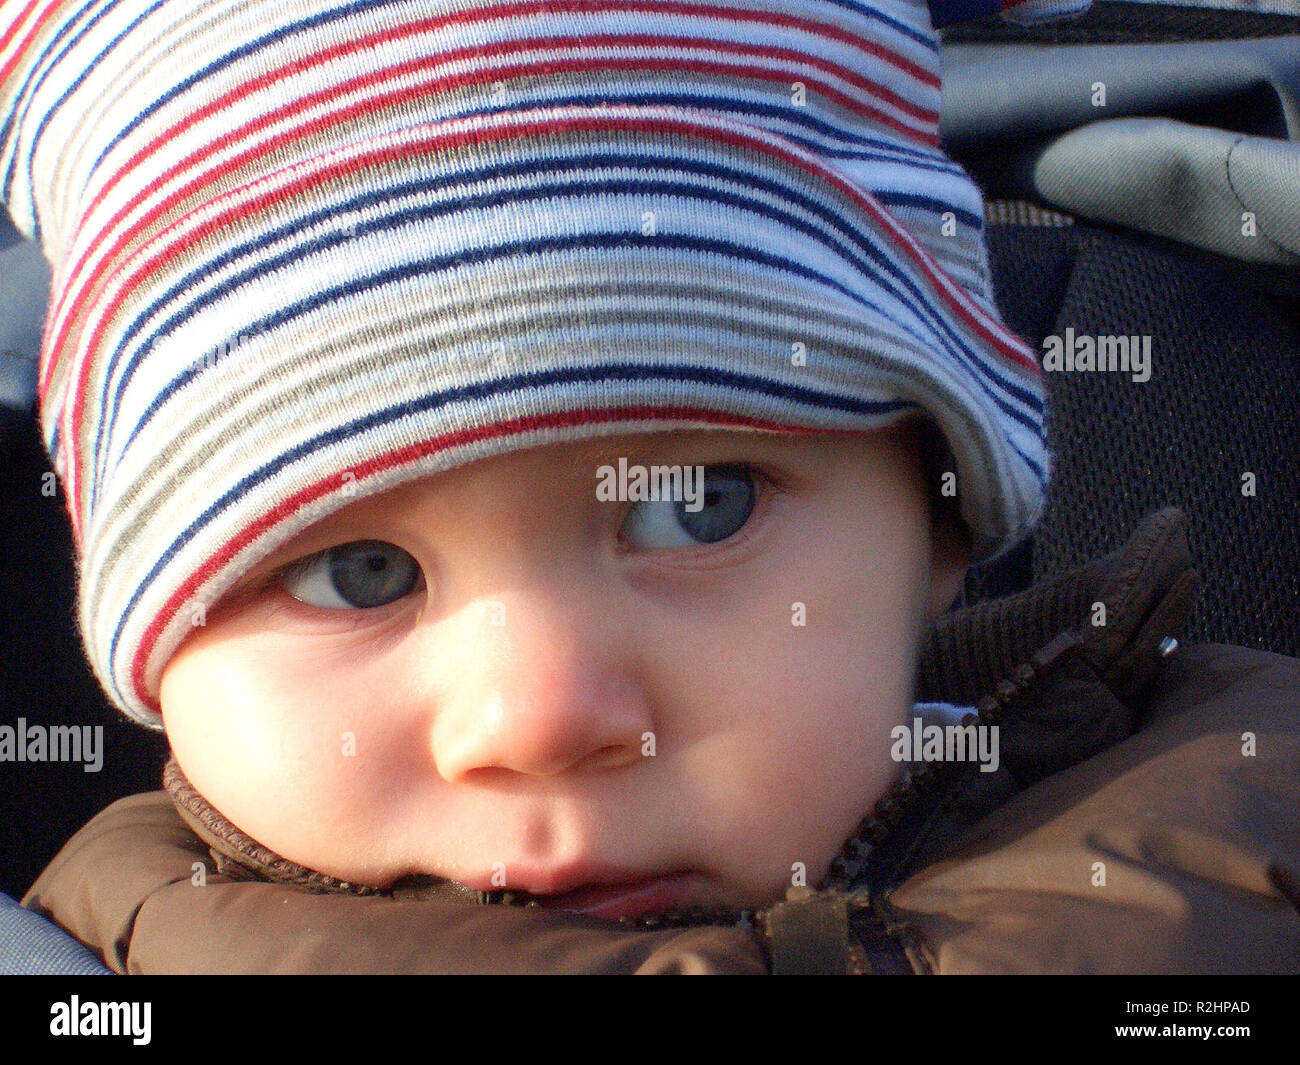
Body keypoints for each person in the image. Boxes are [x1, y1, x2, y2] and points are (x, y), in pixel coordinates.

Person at [4, 0, 1296, 973]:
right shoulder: (92, 966)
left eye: (699, 507)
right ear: (148, 651)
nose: (541, 716)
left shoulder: (1234, 849)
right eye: (360, 573)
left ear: (939, 522)